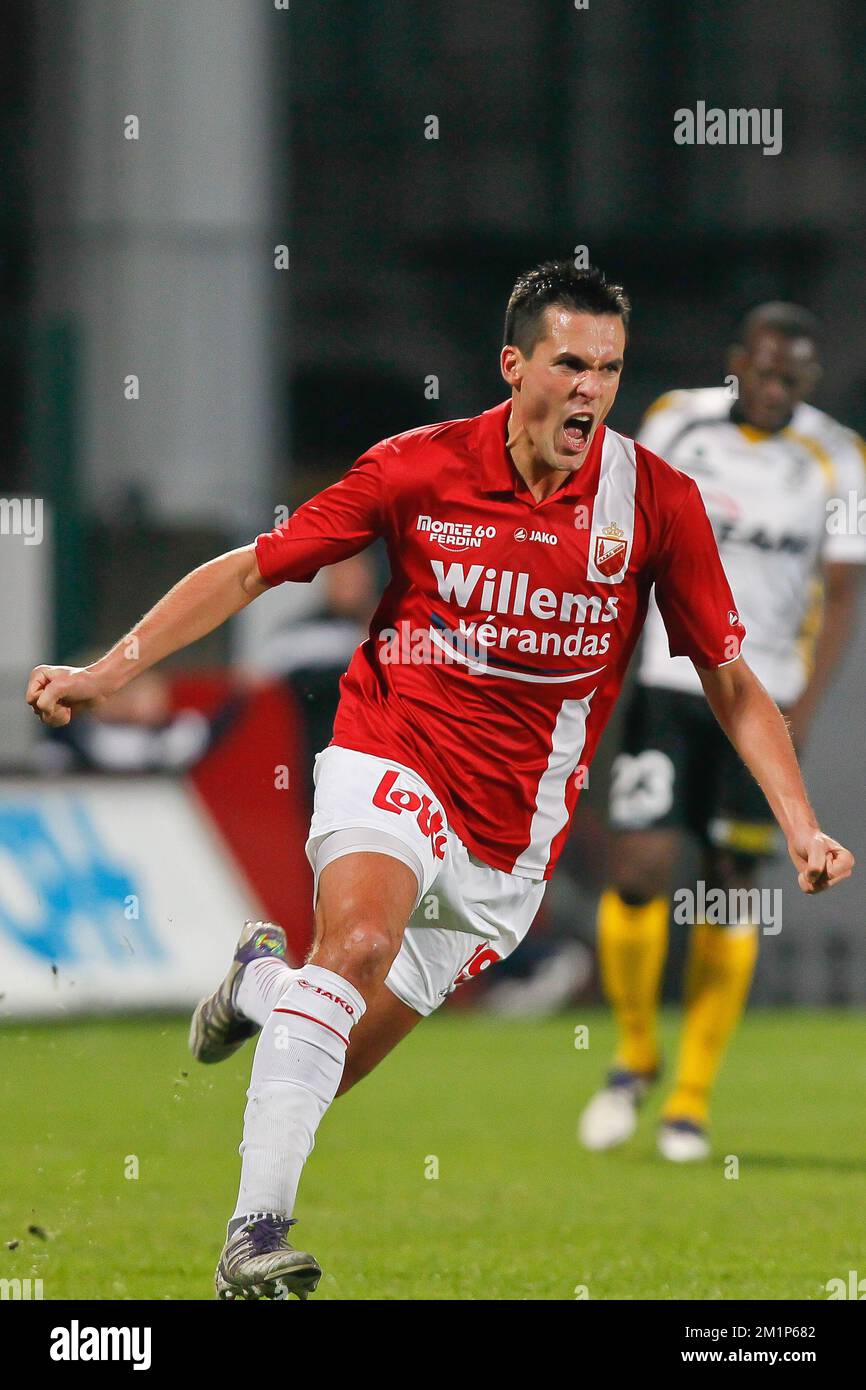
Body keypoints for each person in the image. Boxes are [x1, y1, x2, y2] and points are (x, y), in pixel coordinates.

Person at [26, 263, 854, 1300]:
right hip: (392, 749)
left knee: (328, 1059)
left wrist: (799, 821)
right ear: (513, 367)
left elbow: (731, 683)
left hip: (511, 835)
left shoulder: (654, 500)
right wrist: (111, 667)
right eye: (568, 364)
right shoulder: (416, 468)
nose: (591, 389)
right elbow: (250, 568)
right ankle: (252, 1239)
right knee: (359, 944)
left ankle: (258, 985)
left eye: (608, 367)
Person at [579, 303, 866, 1163]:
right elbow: (626, 541)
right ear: (739, 359)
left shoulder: (840, 457)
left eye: (795, 379)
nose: (778, 390)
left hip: (761, 696)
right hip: (670, 682)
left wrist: (799, 715)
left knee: (733, 889)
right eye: (768, 370)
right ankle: (633, 1054)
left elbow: (843, 592)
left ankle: (690, 1100)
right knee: (639, 867)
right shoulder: (675, 419)